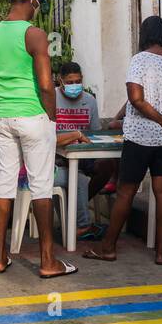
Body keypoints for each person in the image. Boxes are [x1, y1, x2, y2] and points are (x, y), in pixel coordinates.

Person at [85, 16, 162, 266]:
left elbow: (136, 99)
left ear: (143, 34)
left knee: (126, 191)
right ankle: (161, 253)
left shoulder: (139, 60)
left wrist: (161, 118)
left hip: (140, 136)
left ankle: (108, 247)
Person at [0, 0, 76, 277]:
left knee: (4, 184)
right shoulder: (34, 35)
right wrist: (51, 118)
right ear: (32, 1)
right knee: (41, 188)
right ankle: (48, 262)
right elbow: (47, 85)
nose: (37, 12)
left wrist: (4, 104)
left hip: (5, 118)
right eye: (38, 6)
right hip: (34, 117)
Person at [53, 60, 110, 241]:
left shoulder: (89, 100)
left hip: (84, 155)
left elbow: (94, 133)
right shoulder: (51, 99)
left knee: (108, 165)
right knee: (77, 179)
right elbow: (47, 137)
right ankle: (81, 225)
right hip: (57, 157)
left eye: (77, 81)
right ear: (60, 81)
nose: (74, 86)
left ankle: (75, 209)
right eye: (69, 82)